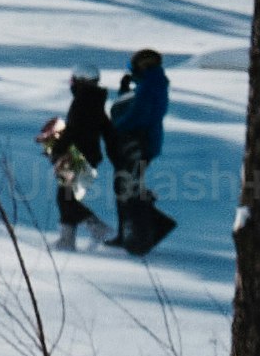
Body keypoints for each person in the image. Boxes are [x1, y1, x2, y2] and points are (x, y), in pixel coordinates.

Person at [109, 47, 176, 253]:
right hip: (139, 143)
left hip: (139, 144)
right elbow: (132, 108)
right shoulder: (150, 84)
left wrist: (118, 126)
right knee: (125, 187)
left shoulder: (151, 86)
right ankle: (128, 234)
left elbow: (138, 115)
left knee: (128, 188)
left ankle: (140, 235)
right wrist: (125, 93)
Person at [38, 70, 111, 241]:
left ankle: (97, 228)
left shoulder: (82, 102)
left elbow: (73, 131)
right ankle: (67, 239)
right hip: (86, 156)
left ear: (80, 82)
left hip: (76, 157)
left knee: (65, 199)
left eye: (74, 81)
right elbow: (107, 130)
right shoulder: (95, 102)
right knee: (66, 197)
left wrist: (57, 148)